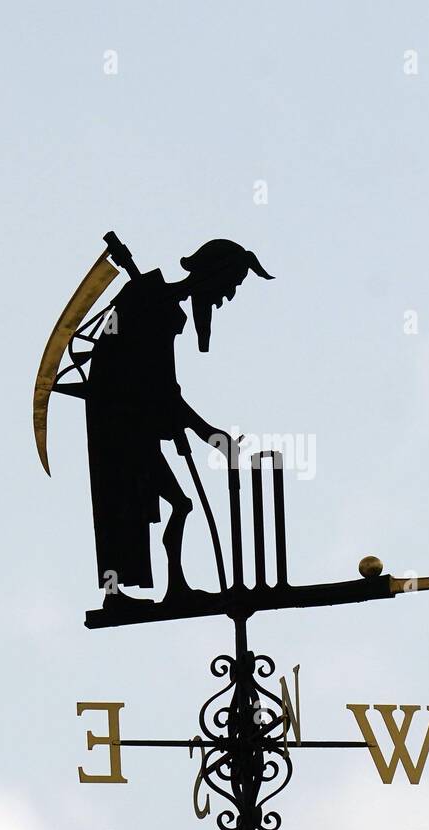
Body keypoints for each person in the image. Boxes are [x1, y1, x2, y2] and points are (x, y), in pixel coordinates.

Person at [84, 239, 273, 607]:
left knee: (174, 505)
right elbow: (156, 385)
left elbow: (162, 387)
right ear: (214, 275)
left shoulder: (161, 303)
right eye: (231, 284)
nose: (229, 296)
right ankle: (124, 592)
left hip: (133, 424)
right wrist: (206, 433)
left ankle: (169, 589)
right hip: (121, 430)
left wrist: (200, 431)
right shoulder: (151, 300)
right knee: (127, 504)